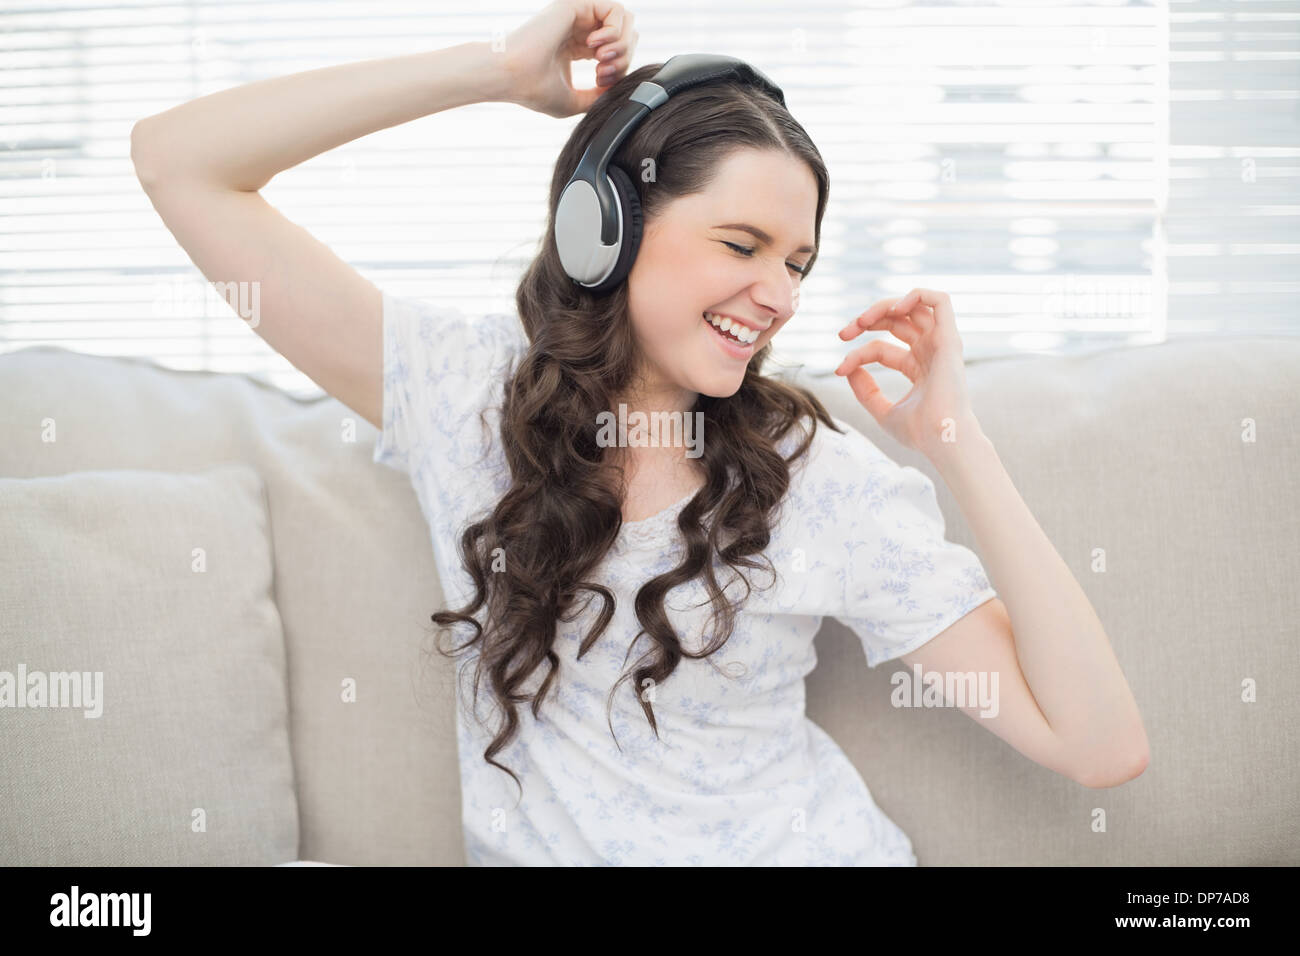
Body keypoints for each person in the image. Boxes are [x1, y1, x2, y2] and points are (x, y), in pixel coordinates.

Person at [131, 0, 1148, 866]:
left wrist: (956, 436)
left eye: (796, 261)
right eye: (740, 244)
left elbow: (1098, 744)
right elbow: (180, 164)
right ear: (601, 229)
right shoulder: (464, 395)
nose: (778, 294)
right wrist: (491, 72)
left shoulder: (819, 484)